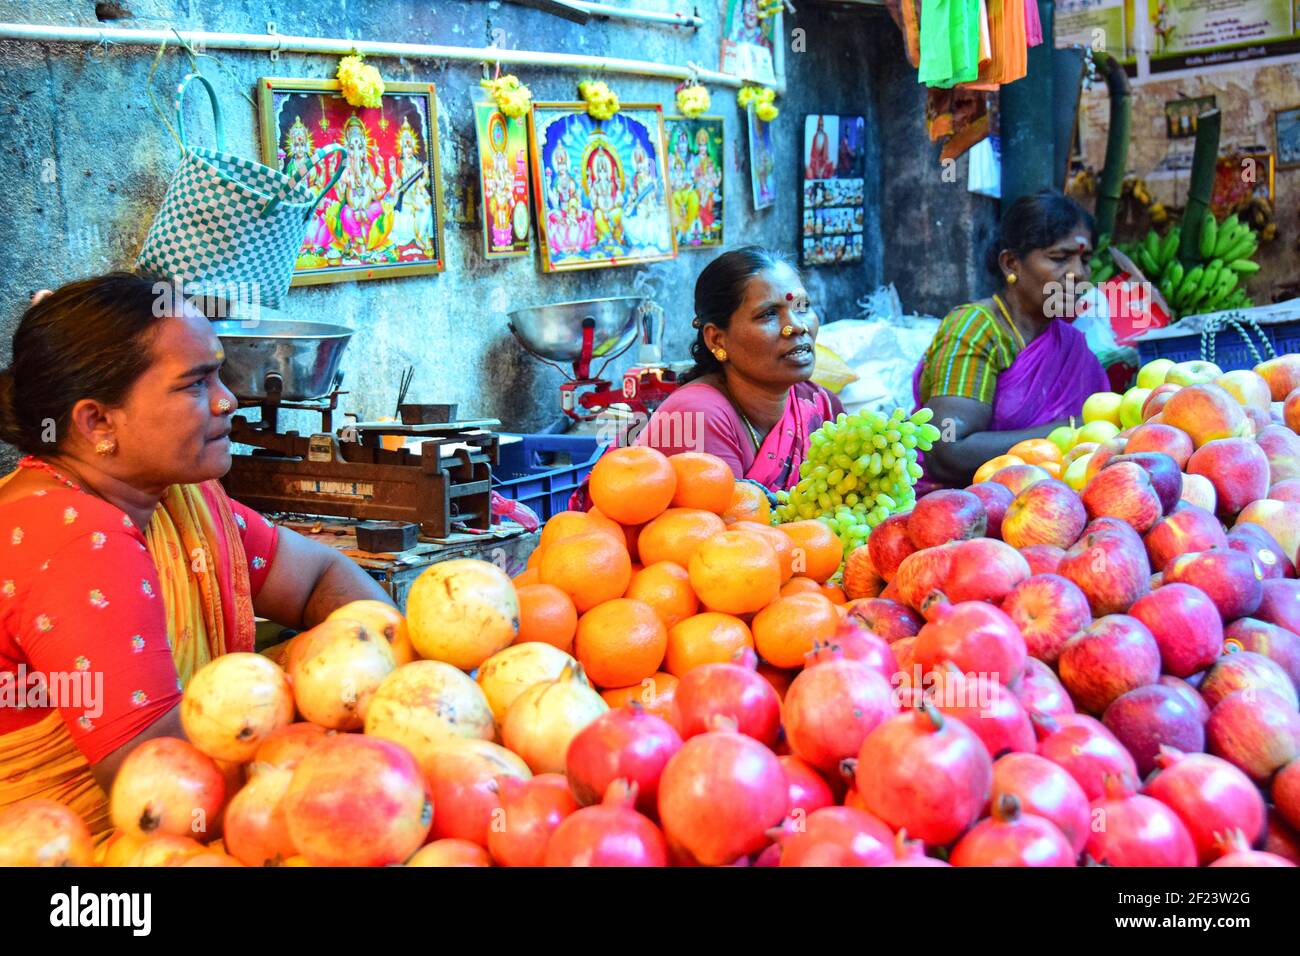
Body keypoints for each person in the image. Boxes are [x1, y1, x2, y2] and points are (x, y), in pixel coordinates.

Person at [0, 273, 393, 835]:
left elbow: (317, 578)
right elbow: (161, 783)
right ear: (98, 422)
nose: (227, 399)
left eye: (221, 374)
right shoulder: (75, 538)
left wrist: (389, 675)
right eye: (195, 384)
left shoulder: (178, 501)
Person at [913, 190, 1109, 486]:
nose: (1079, 274)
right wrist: (1070, 430)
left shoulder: (1069, 344)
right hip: (965, 505)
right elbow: (946, 451)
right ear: (1011, 264)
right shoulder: (977, 328)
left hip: (1049, 501)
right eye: (1059, 258)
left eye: (1085, 260)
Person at [633, 246, 843, 493]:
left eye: (801, 306)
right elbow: (728, 527)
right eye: (768, 314)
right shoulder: (696, 416)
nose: (796, 327)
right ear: (717, 340)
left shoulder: (819, 404)